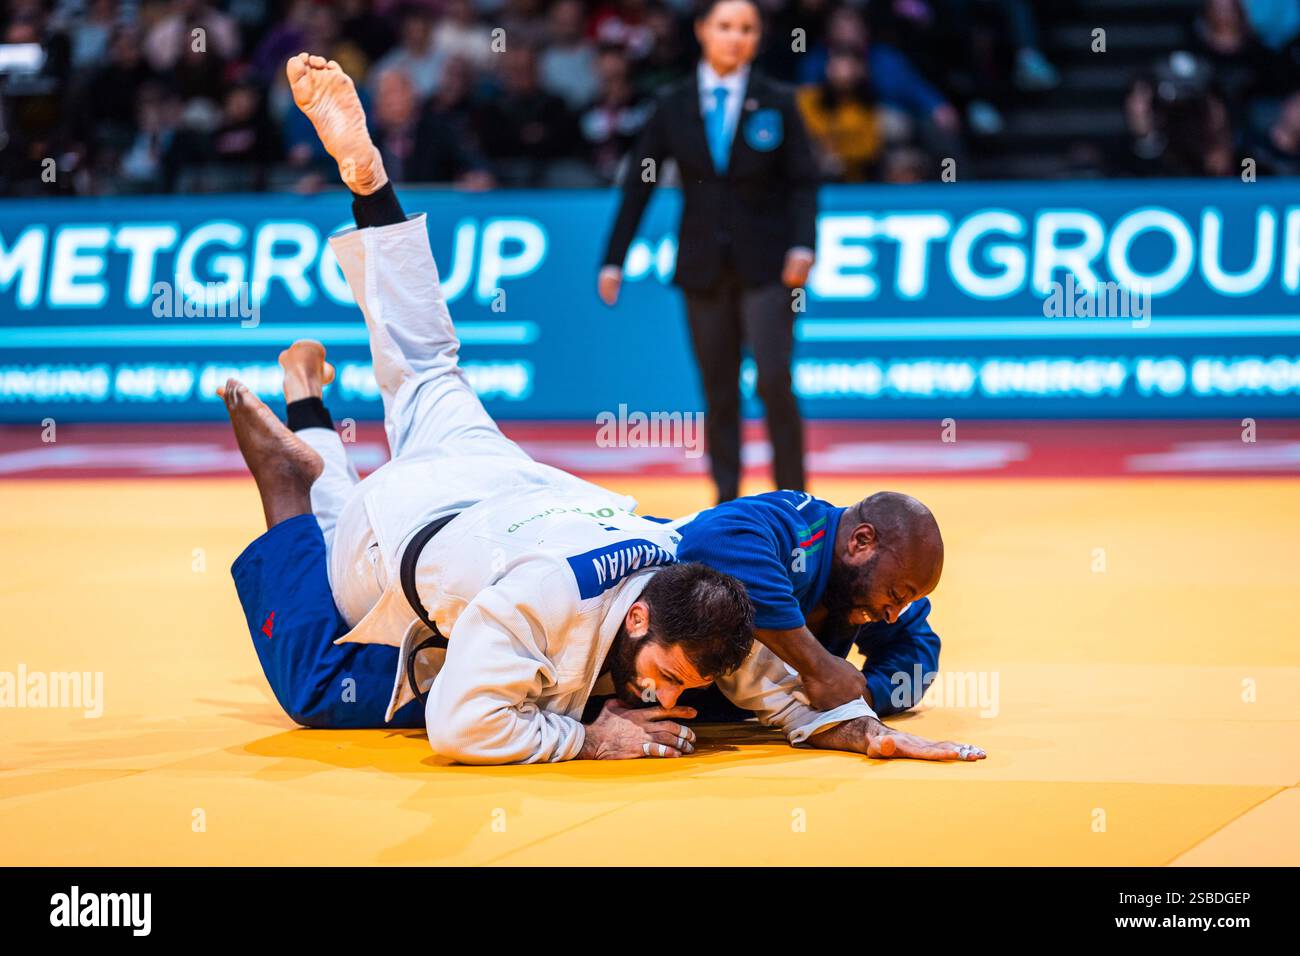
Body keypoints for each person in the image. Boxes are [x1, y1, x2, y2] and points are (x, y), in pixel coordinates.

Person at [220, 52, 986, 767]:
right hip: (394, 532)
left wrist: (860, 730)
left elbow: (766, 683)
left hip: (506, 480)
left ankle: (370, 188)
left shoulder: (684, 577)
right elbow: (458, 725)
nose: (672, 702)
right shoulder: (541, 603)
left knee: (424, 360)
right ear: (640, 622)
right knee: (325, 667)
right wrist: (585, 736)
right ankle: (302, 463)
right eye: (670, 679)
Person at [598, 0, 817, 504]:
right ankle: (727, 506)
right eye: (724, 27)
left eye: (746, 29)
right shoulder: (672, 103)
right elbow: (640, 183)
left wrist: (803, 245)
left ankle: (796, 504)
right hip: (701, 267)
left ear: (758, 38)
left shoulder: (778, 100)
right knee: (718, 393)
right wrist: (614, 258)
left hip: (769, 266)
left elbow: (803, 182)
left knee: (773, 379)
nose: (735, 37)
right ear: (702, 31)